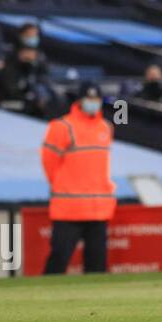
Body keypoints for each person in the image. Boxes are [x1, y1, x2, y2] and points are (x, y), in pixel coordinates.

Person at [41, 83, 117, 274]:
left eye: (96, 99)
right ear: (80, 100)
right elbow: (49, 163)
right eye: (89, 98)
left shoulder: (106, 127)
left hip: (98, 210)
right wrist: (63, 185)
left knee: (97, 267)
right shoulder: (61, 126)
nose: (93, 103)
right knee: (58, 262)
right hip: (69, 209)